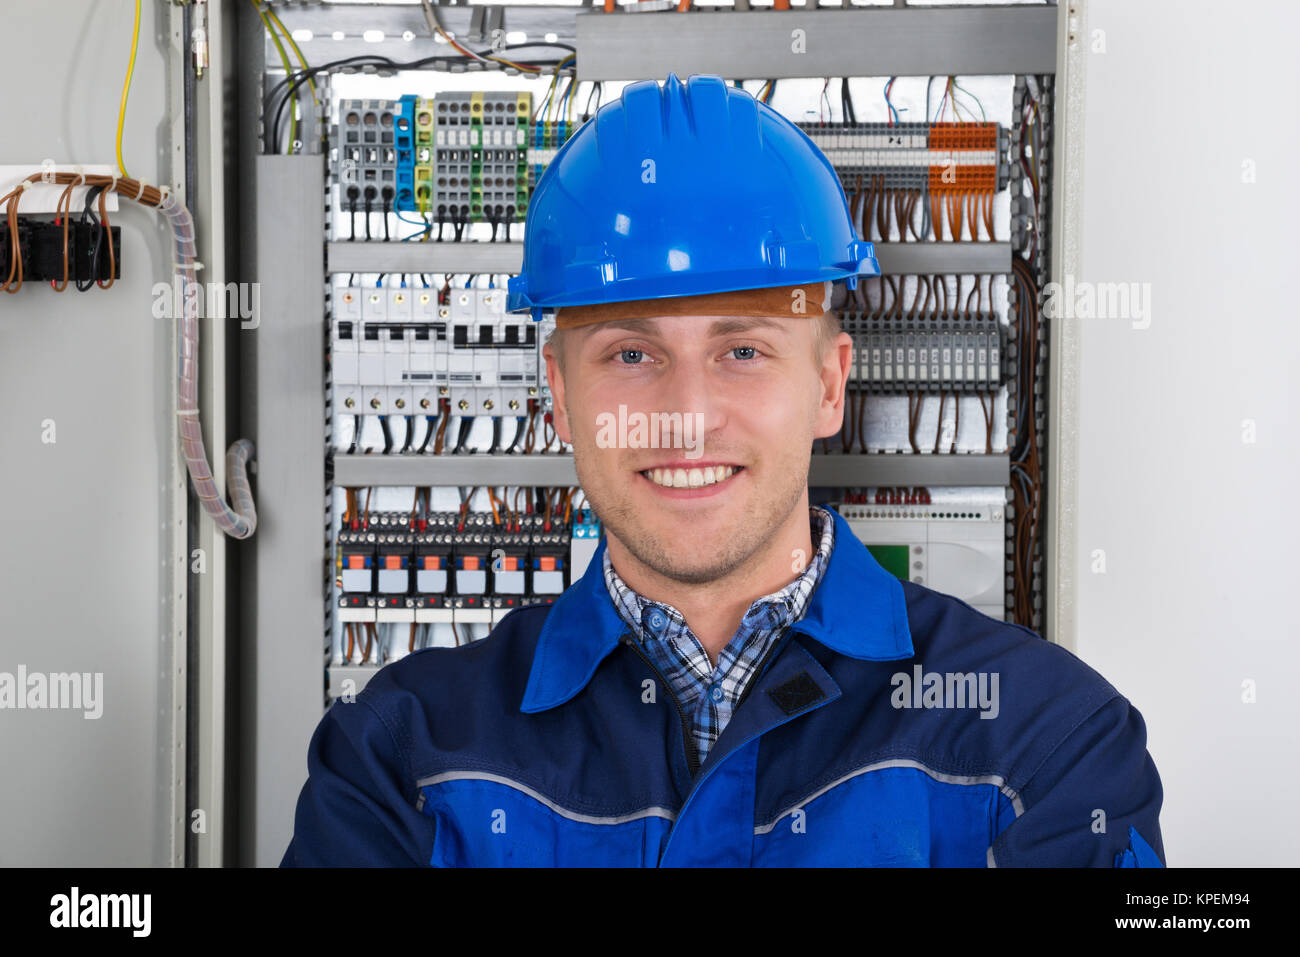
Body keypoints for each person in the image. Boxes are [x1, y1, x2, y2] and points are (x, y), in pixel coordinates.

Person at [282, 73, 1164, 867]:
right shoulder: (400, 762)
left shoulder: (1044, 744)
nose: (686, 413)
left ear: (828, 385)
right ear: (559, 394)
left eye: (742, 349)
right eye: (631, 354)